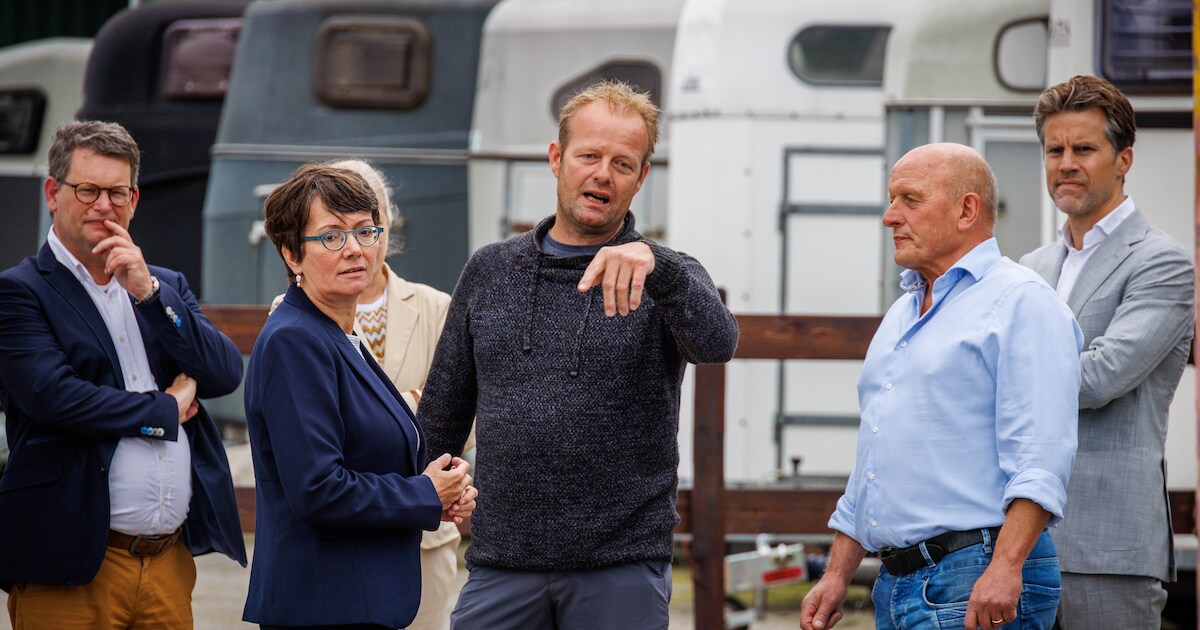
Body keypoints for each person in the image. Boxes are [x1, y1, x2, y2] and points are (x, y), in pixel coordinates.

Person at [418, 80, 739, 629]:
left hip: (621, 569)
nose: (602, 174)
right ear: (556, 158)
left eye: (622, 163)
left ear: (641, 178)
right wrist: (417, 500)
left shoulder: (665, 275)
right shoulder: (490, 269)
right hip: (501, 564)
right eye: (589, 156)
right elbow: (443, 411)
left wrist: (658, 267)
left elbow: (717, 343)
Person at [800, 143, 1082, 630]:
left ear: (966, 210)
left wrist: (1005, 567)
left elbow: (1041, 457)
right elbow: (874, 462)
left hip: (974, 575)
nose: (890, 216)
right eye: (892, 199)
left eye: (910, 199)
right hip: (901, 580)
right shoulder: (903, 313)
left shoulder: (1022, 302)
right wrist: (837, 574)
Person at [0, 120, 247, 628]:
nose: (104, 205)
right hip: (69, 565)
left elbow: (224, 373)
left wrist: (149, 294)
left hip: (166, 564)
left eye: (117, 192)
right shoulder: (20, 291)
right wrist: (166, 409)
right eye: (88, 190)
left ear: (134, 199)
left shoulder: (162, 284)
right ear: (53, 193)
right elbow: (56, 397)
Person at [242, 163, 477, 629]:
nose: (354, 249)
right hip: (324, 604)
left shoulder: (338, 333)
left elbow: (367, 454)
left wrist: (438, 491)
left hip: (359, 599)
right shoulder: (295, 339)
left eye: (365, 231)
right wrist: (423, 493)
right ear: (291, 254)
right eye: (331, 236)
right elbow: (318, 490)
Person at [1019, 76, 1194, 628]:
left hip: (1109, 548)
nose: (1066, 164)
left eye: (1084, 149)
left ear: (1124, 160)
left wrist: (1005, 377)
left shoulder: (1161, 262)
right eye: (1055, 150)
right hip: (1017, 546)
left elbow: (1098, 378)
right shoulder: (1031, 268)